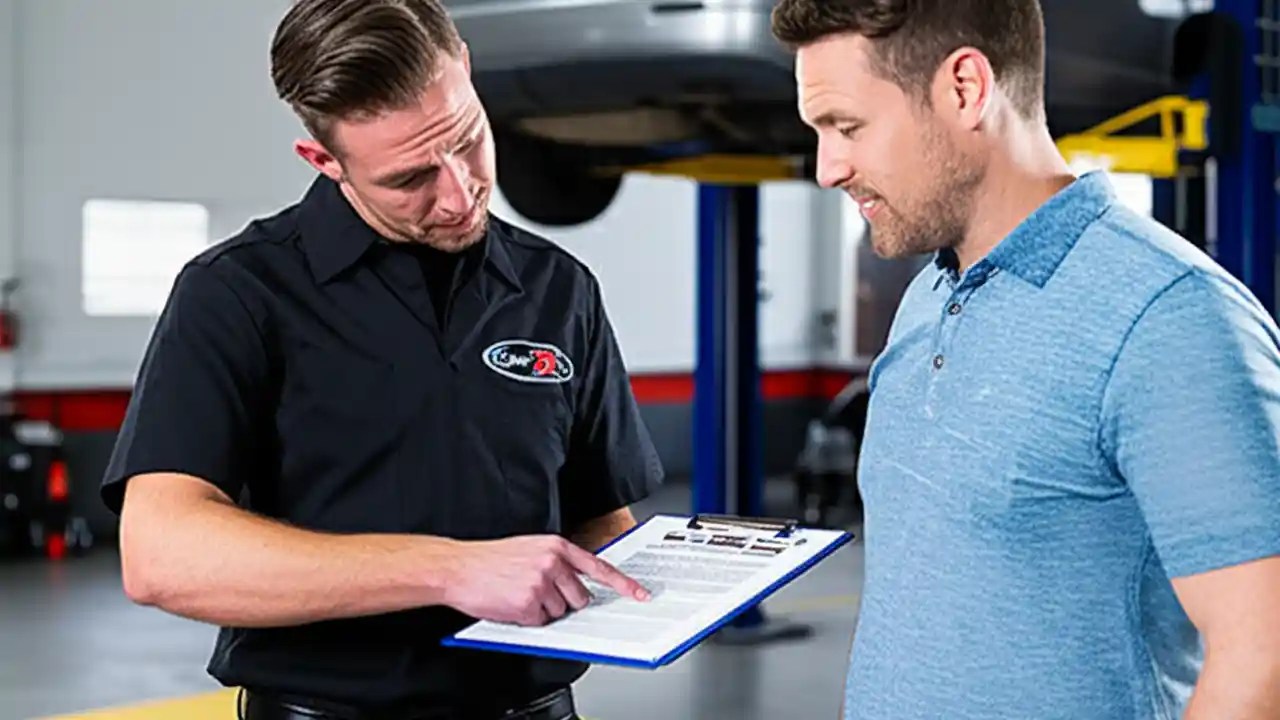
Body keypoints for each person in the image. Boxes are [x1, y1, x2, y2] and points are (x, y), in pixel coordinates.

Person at [100, 1, 664, 718]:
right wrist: (452, 571)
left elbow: (600, 518)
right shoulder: (237, 294)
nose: (460, 195)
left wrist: (680, 576)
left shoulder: (560, 289)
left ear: (464, 65)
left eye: (468, 141)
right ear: (324, 160)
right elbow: (161, 557)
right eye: (409, 179)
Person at [769, 1, 1280, 719]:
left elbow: (1264, 652)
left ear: (966, 89)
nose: (828, 169)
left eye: (847, 127)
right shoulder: (926, 298)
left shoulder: (1171, 317)